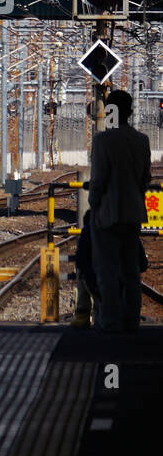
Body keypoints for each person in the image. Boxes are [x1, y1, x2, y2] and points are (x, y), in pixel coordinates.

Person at [87, 89, 152, 333]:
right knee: (131, 271)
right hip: (134, 213)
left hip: (108, 215)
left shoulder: (103, 141)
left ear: (110, 112)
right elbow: (146, 178)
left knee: (108, 271)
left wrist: (93, 205)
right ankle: (132, 321)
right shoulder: (142, 141)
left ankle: (112, 322)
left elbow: (99, 179)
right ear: (130, 112)